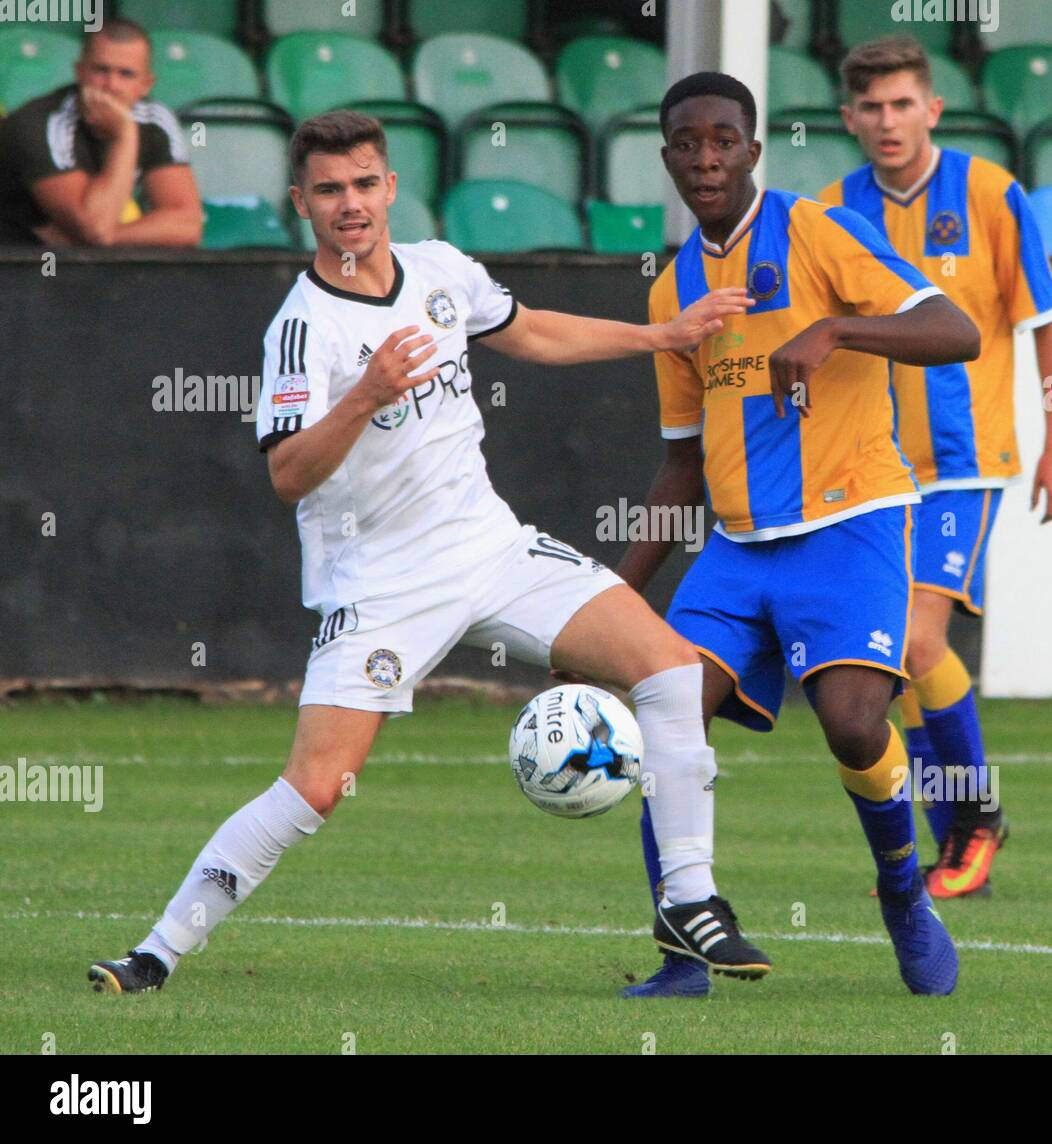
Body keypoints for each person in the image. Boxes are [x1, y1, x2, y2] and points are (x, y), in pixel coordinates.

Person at [87, 109, 769, 994]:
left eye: (365, 184)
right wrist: (367, 393)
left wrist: (660, 337)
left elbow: (529, 332)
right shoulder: (303, 330)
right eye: (329, 190)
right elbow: (289, 473)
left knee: (673, 667)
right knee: (317, 788)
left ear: (391, 188)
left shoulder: (442, 271)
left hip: (490, 546)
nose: (350, 204)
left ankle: (687, 896)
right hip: (380, 586)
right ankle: (156, 954)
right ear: (302, 203)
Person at [619, 72, 980, 1000]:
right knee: (666, 709)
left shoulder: (815, 231)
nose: (705, 157)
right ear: (667, 158)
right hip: (738, 548)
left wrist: (838, 331)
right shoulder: (673, 292)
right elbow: (681, 467)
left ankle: (904, 893)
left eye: (723, 139)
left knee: (856, 725)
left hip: (851, 523)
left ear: (752, 150)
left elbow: (957, 330)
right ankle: (681, 952)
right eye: (687, 142)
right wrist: (613, 599)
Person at [820, 36, 1052, 899]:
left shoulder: (991, 194)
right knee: (895, 662)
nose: (887, 122)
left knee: (921, 639)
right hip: (871, 468)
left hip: (965, 463)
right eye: (871, 108)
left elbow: (1047, 319)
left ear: (932, 108)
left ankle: (975, 822)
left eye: (902, 105)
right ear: (848, 118)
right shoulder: (828, 211)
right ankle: (956, 847)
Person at [0, 18, 201, 247]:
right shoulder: (38, 123)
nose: (111, 85)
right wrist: (124, 137)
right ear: (79, 72)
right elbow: (94, 227)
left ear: (146, 84)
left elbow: (187, 225)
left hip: (81, 262)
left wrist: (112, 236)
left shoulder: (156, 119)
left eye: (126, 74)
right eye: (101, 70)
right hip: (18, 262)